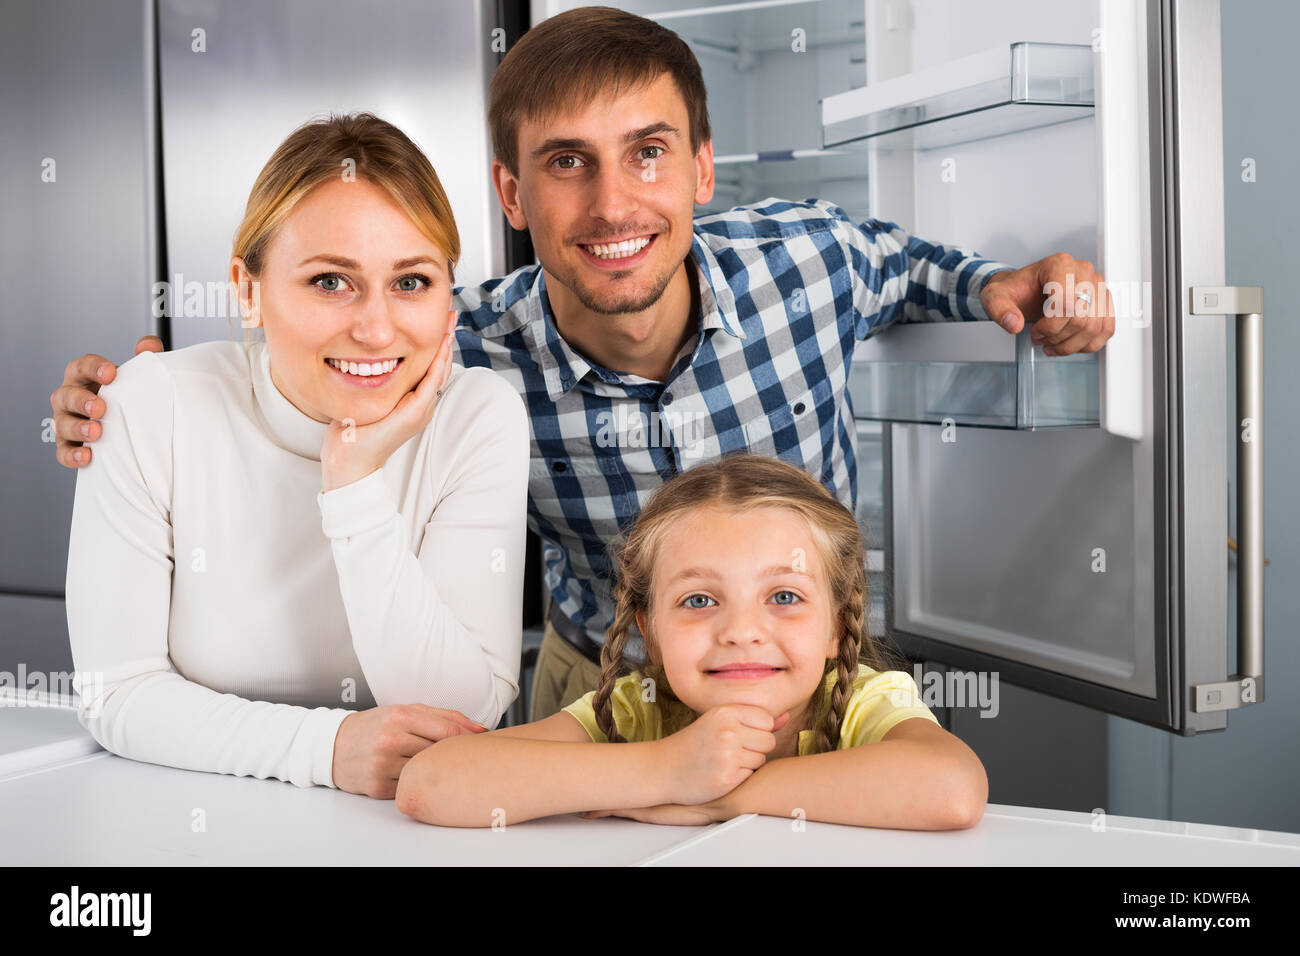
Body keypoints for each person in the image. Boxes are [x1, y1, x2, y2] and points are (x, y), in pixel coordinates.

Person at [48, 6, 1115, 725]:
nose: (612, 205)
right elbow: (321, 344)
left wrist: (998, 287)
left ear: (701, 167)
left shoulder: (807, 258)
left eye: (648, 153)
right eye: (567, 163)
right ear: (511, 195)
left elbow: (904, 264)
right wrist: (133, 401)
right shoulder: (457, 344)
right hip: (592, 686)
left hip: (815, 661)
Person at [63, 114, 529, 797]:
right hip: (190, 813)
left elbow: (461, 712)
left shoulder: (477, 416)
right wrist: (327, 748)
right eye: (330, 282)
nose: (375, 329)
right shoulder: (148, 405)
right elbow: (117, 693)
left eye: (411, 282)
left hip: (400, 834)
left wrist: (353, 486)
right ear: (247, 290)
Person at [394, 454, 986, 830]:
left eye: (784, 596)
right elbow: (432, 784)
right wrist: (665, 767)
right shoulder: (636, 710)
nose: (741, 631)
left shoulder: (862, 700)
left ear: (838, 625)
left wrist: (719, 798)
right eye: (699, 601)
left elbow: (953, 789)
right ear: (648, 634)